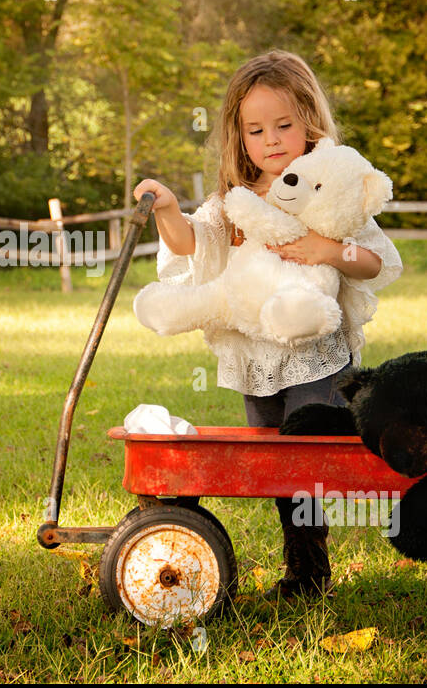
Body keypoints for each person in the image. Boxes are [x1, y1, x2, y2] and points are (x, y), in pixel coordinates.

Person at [132, 49, 403, 600]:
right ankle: (302, 566)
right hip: (258, 358)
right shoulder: (233, 201)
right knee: (278, 462)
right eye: (256, 129)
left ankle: (309, 571)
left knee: (304, 456)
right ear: (239, 136)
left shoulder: (330, 188)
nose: (272, 140)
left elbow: (377, 261)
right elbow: (190, 243)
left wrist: (327, 249)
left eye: (284, 125)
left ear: (308, 121)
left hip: (314, 352)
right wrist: (165, 209)